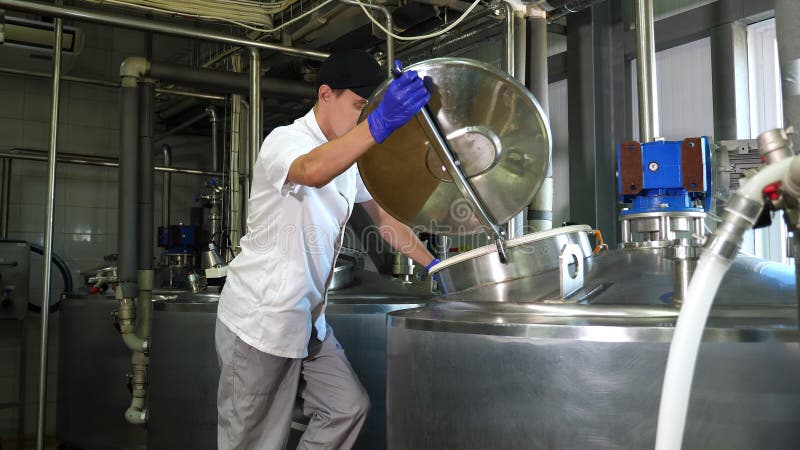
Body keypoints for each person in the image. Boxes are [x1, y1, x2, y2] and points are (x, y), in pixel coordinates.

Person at [215, 49, 439, 450]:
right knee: (255, 442)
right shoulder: (285, 140)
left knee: (346, 407)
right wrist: (377, 125)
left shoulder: (350, 157)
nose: (364, 116)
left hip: (308, 321)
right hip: (263, 320)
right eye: (358, 106)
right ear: (325, 95)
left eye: (370, 109)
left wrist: (438, 266)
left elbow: (386, 222)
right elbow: (312, 171)